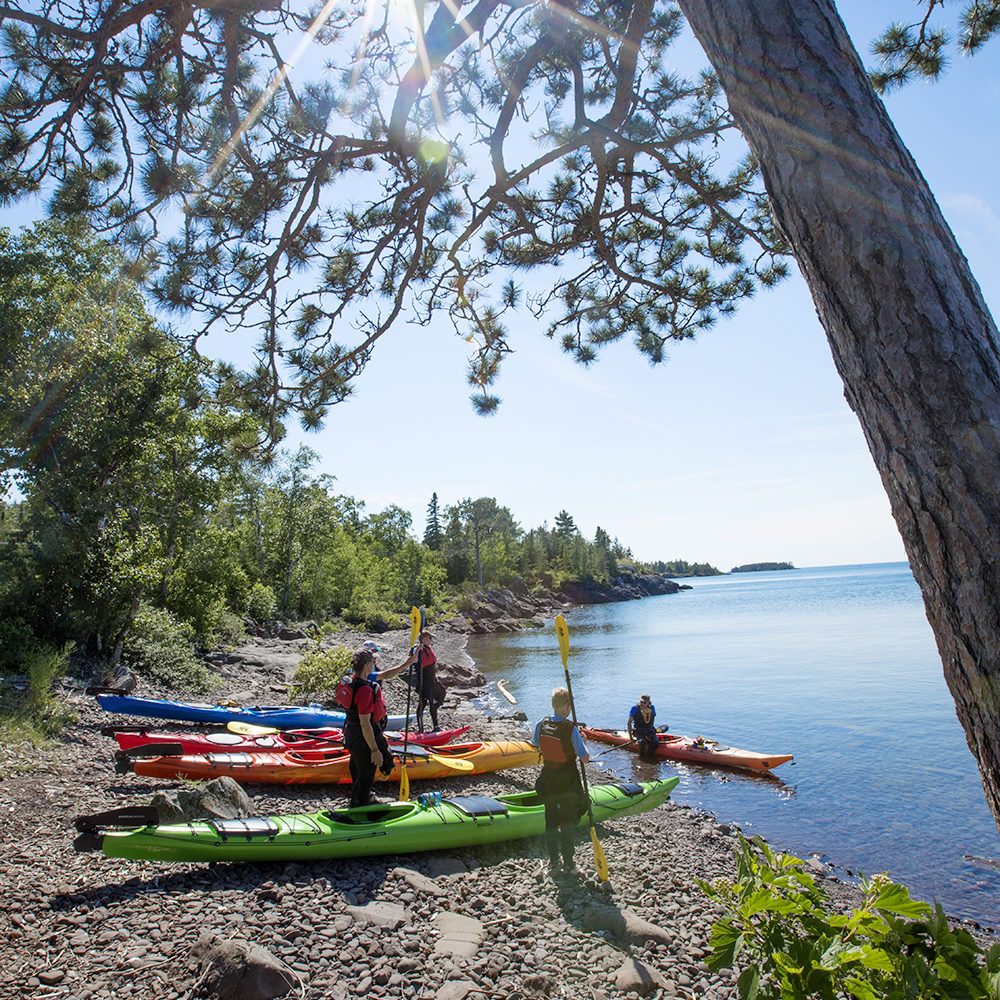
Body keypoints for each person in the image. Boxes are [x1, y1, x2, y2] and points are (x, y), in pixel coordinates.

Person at [340, 647, 413, 807]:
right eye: (374, 662)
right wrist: (374, 750)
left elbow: (387, 674)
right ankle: (359, 812)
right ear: (367, 665)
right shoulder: (365, 690)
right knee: (366, 776)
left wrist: (408, 662)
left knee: (357, 768)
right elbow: (365, 723)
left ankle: (361, 801)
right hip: (362, 737)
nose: (375, 664)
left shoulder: (350, 681)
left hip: (350, 734)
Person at [532, 686, 591, 875]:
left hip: (548, 780)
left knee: (550, 821)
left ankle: (553, 863)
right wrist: (582, 742)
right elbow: (585, 758)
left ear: (552, 704)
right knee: (567, 822)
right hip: (567, 783)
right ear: (568, 706)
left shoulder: (541, 724)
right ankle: (570, 865)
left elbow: (535, 744)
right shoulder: (570, 728)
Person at [412, 630, 444, 733]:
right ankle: (422, 728)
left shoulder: (427, 649)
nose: (431, 640)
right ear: (424, 639)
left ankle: (435, 726)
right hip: (423, 681)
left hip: (432, 680)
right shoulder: (417, 649)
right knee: (424, 703)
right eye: (430, 638)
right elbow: (413, 660)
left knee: (441, 693)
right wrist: (417, 651)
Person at [627, 693, 659, 760]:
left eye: (644, 703)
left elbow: (652, 720)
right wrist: (631, 738)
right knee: (642, 742)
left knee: (655, 742)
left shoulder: (652, 708)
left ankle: (649, 756)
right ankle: (642, 758)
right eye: (641, 702)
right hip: (639, 730)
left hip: (649, 730)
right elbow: (629, 723)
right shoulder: (635, 708)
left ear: (648, 703)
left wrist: (651, 734)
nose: (642, 704)